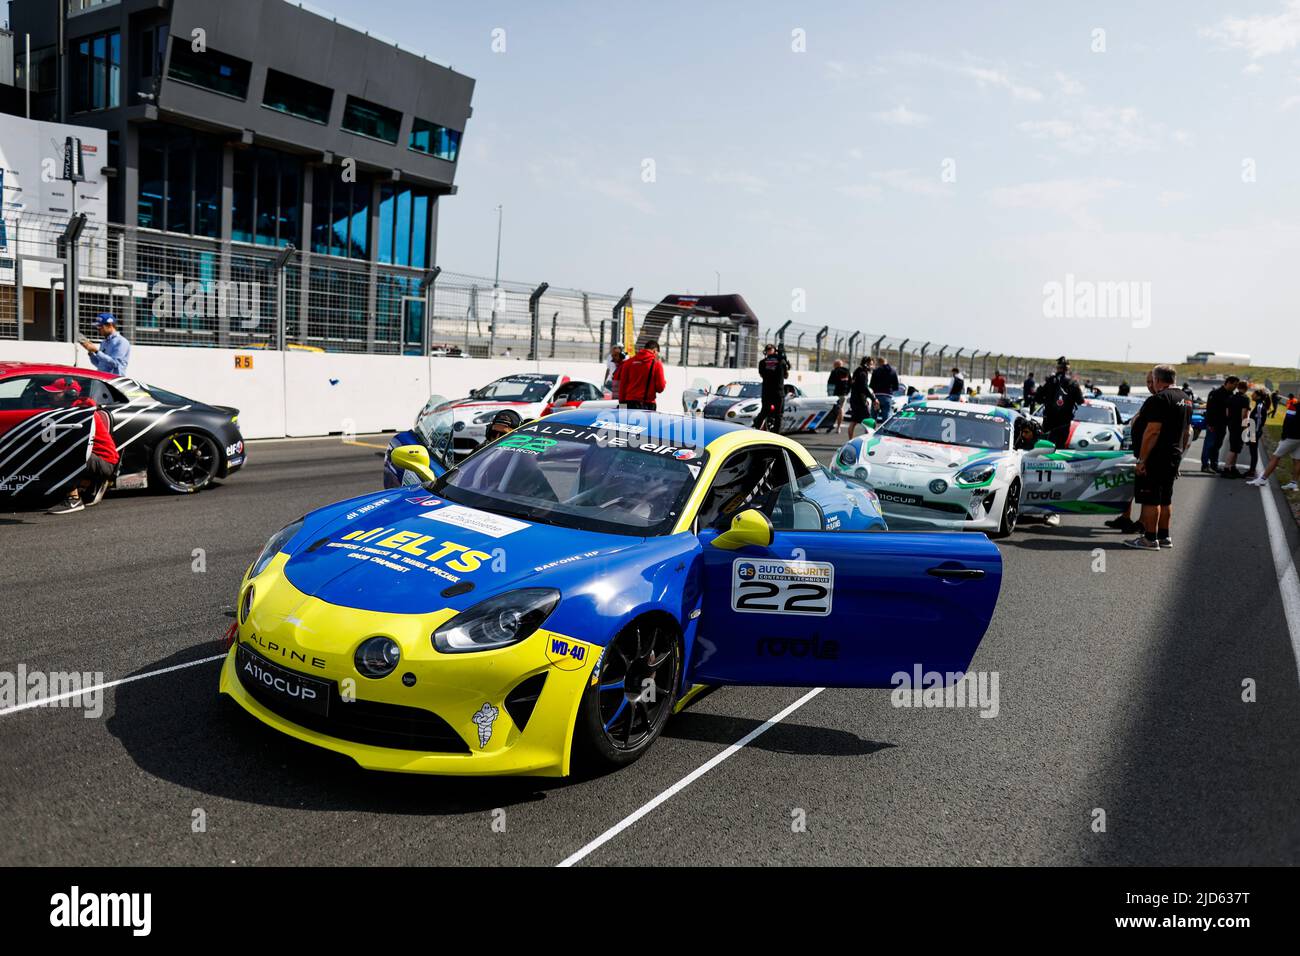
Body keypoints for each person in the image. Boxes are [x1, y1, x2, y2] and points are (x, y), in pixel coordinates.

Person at [1124, 364, 1191, 551]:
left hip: (1156, 456)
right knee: (1165, 498)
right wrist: (1180, 454)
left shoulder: (1160, 398)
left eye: (1152, 379)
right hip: (1173, 455)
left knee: (1150, 499)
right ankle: (1164, 536)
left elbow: (1153, 431)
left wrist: (1142, 460)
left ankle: (1149, 538)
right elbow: (1186, 432)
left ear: (1158, 380)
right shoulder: (1186, 399)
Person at [45, 379, 120, 515]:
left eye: (56, 393)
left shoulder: (80, 412)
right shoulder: (71, 409)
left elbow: (74, 443)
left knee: (62, 452)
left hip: (104, 461)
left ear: (70, 394)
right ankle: (86, 485)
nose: (51, 396)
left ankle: (73, 499)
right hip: (96, 458)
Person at [1105, 370, 1154, 534]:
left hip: (1147, 455)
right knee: (1129, 485)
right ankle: (1125, 517)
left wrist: (1143, 458)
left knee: (1147, 493)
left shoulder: (1158, 401)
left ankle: (1143, 523)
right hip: (1133, 450)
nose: (1149, 385)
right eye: (1147, 382)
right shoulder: (1149, 401)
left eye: (1151, 382)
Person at [1248, 394, 1300, 490]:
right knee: (1297, 460)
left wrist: (1284, 435)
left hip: (1291, 436)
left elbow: (1288, 421)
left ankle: (1263, 478)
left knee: (1275, 457)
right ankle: (1294, 482)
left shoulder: (1294, 406)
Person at [1034, 357, 1086, 448]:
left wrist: (1047, 400)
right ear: (1068, 369)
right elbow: (1080, 401)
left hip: (1049, 420)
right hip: (1064, 422)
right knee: (1060, 447)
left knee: (1046, 446)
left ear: (1058, 368)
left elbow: (1038, 398)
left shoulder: (1049, 381)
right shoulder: (1073, 383)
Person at [614, 339, 666, 411]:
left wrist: (622, 406)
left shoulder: (628, 362)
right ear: (654, 351)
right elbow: (660, 388)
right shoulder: (656, 364)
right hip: (648, 405)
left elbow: (622, 386)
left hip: (629, 403)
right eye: (658, 353)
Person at [1200, 376, 1235, 473]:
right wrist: (1210, 424)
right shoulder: (1215, 393)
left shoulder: (1231, 394)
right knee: (1209, 444)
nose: (1235, 387)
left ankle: (1214, 465)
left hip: (1223, 424)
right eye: (1234, 385)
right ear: (1228, 383)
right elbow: (1210, 409)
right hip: (1213, 424)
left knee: (1217, 445)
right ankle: (1205, 465)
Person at [752, 343, 789, 432]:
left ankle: (755, 427)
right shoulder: (781, 361)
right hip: (778, 391)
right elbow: (786, 375)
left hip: (767, 391)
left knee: (764, 411)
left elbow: (762, 375)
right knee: (778, 414)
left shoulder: (762, 362)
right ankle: (776, 433)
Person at [1220, 377, 1251, 478]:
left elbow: (1227, 413)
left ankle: (1232, 467)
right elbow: (1244, 415)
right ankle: (1226, 467)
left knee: (1235, 447)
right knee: (1234, 448)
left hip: (1231, 424)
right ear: (1246, 388)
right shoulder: (1245, 399)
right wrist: (1245, 427)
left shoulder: (1231, 397)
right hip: (1239, 425)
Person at [846, 357, 877, 439]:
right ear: (866, 364)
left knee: (854, 421)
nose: (871, 366)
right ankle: (868, 439)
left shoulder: (857, 371)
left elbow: (856, 386)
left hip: (855, 399)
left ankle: (850, 440)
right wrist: (873, 399)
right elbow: (864, 388)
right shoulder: (862, 373)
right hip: (859, 401)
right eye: (870, 364)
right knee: (869, 421)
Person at [1244, 388, 1270, 478]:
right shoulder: (1258, 405)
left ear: (1258, 396)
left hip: (1255, 431)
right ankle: (1252, 470)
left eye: (1254, 394)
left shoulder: (1260, 406)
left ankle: (1252, 471)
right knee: (1252, 451)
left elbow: (1258, 422)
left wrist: (1253, 434)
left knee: (1253, 452)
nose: (1252, 395)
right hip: (1253, 430)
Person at [824, 358, 852, 433]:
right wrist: (847, 392)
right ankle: (838, 427)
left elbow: (830, 384)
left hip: (835, 395)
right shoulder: (847, 371)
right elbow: (850, 383)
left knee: (834, 410)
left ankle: (831, 425)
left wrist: (829, 395)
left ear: (835, 365)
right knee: (840, 410)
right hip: (844, 394)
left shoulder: (834, 372)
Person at [869, 356, 899, 421]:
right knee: (886, 418)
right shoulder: (893, 371)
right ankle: (885, 431)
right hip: (887, 397)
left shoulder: (876, 371)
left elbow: (871, 385)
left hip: (876, 397)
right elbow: (896, 386)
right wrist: (890, 390)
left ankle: (870, 431)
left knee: (872, 417)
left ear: (879, 363)